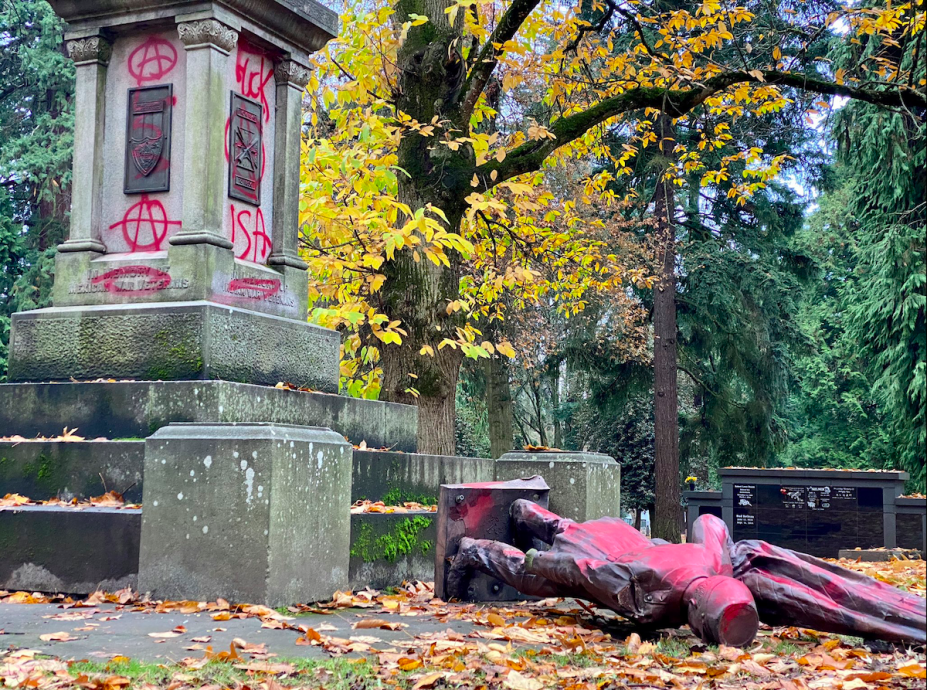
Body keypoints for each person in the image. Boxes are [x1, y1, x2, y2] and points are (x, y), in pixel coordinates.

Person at [446, 500, 926, 646]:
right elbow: (582, 570)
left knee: (558, 525)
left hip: (621, 539)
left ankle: (524, 509)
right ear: (696, 611)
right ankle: (472, 548)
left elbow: (710, 524)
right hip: (603, 550)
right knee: (538, 572)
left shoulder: (712, 561)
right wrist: (538, 562)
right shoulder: (648, 599)